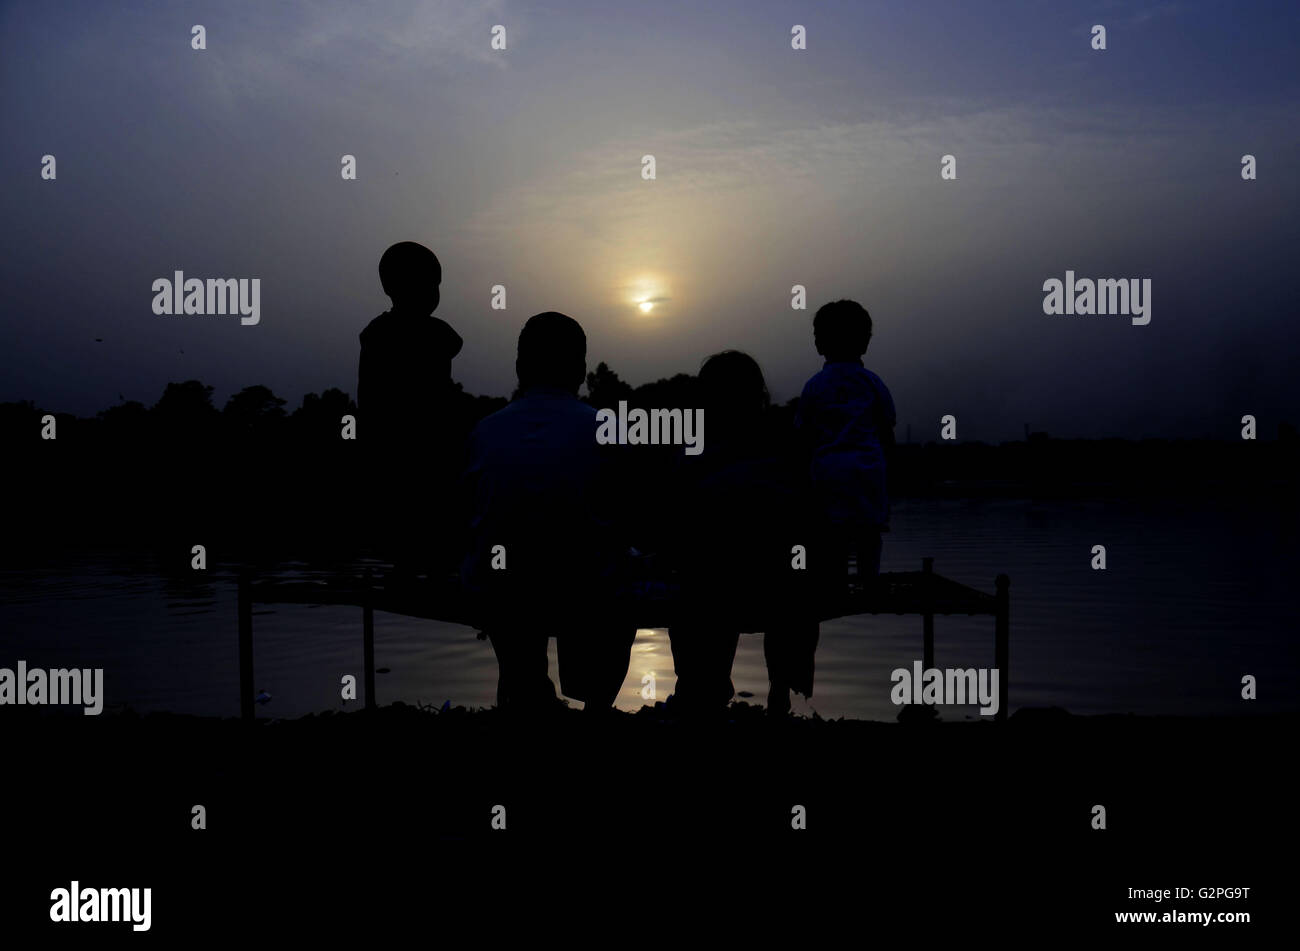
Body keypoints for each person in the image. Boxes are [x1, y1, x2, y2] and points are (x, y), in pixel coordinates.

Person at [460, 312, 634, 711]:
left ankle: (527, 689)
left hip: (500, 593)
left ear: (520, 367)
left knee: (505, 569)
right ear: (581, 369)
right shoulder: (607, 429)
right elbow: (624, 521)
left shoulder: (484, 431)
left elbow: (470, 517)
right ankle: (595, 704)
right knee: (611, 571)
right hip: (581, 592)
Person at [667, 351, 816, 715]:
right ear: (758, 395)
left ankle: (699, 686)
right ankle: (779, 690)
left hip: (712, 590)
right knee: (791, 575)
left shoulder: (691, 455)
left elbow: (674, 529)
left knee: (697, 579)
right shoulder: (783, 450)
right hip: (777, 592)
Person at [787, 299, 897, 711]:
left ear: (822, 343)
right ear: (865, 341)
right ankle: (869, 583)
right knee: (869, 531)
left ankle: (834, 585)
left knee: (830, 536)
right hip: (868, 467)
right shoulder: (873, 383)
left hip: (828, 469)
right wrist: (888, 467)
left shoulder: (815, 386)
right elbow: (886, 427)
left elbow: (804, 432)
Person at [357, 241, 464, 575]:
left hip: (398, 449)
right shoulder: (430, 333)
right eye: (430, 284)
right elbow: (453, 343)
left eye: (437, 285)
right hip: (418, 450)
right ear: (394, 287)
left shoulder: (377, 332)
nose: (434, 293)